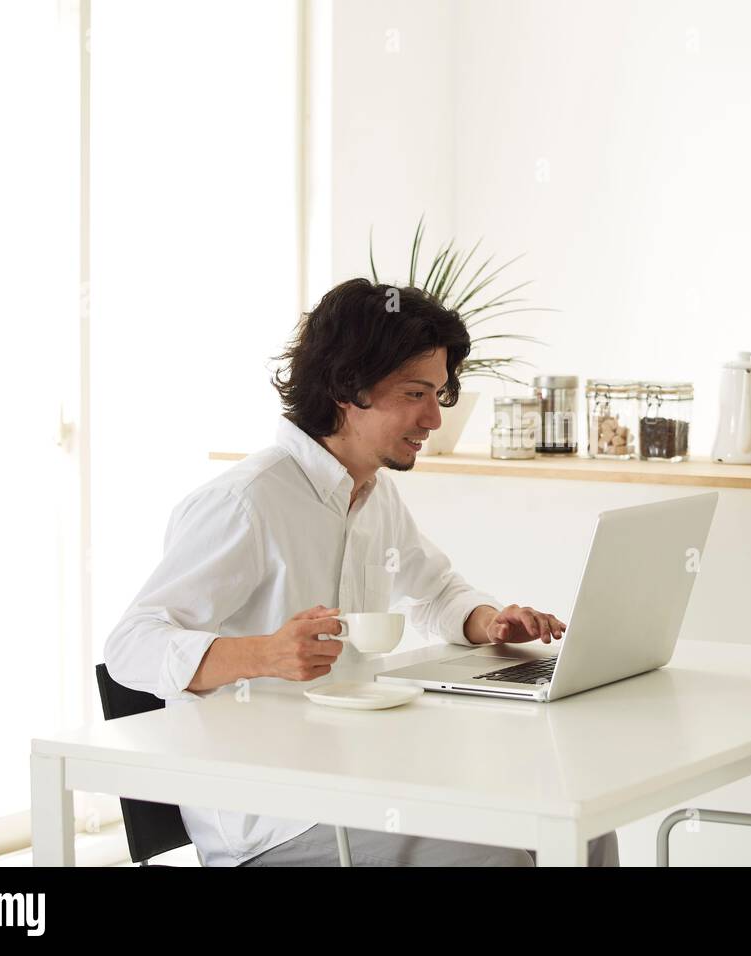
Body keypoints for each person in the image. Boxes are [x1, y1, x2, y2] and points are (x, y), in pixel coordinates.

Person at [104, 278, 619, 867]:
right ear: (349, 388)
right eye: (415, 393)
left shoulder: (372, 495)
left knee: (581, 824)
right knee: (497, 859)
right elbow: (132, 645)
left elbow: (436, 591)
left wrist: (490, 621)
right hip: (276, 820)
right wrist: (264, 655)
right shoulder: (245, 503)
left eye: (440, 395)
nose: (433, 418)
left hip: (365, 782)